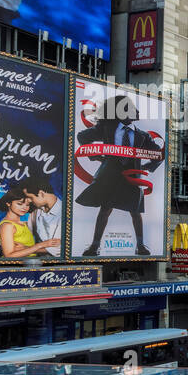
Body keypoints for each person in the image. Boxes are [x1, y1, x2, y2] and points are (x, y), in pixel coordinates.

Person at [74, 94, 164, 256]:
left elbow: (159, 154)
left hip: (132, 176)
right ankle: (94, 246)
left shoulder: (142, 135)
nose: (135, 112)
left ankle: (141, 246)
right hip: (110, 175)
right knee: (105, 209)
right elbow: (82, 136)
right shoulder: (107, 128)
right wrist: (94, 155)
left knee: (135, 211)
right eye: (130, 109)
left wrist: (148, 166)